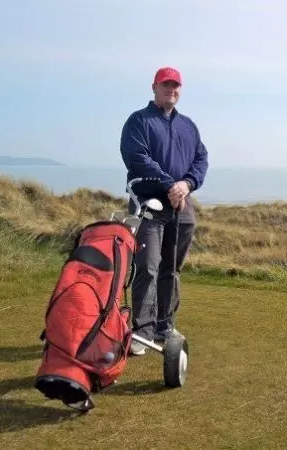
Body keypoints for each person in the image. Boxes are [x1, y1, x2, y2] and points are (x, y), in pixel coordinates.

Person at [120, 67, 209, 355]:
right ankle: (141, 332)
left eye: (176, 85)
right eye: (165, 84)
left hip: (181, 207)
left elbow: (201, 158)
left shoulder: (188, 126)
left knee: (172, 269)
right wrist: (171, 184)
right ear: (154, 87)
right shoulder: (138, 121)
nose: (171, 89)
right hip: (149, 204)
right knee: (147, 266)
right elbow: (138, 159)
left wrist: (186, 184)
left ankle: (164, 325)